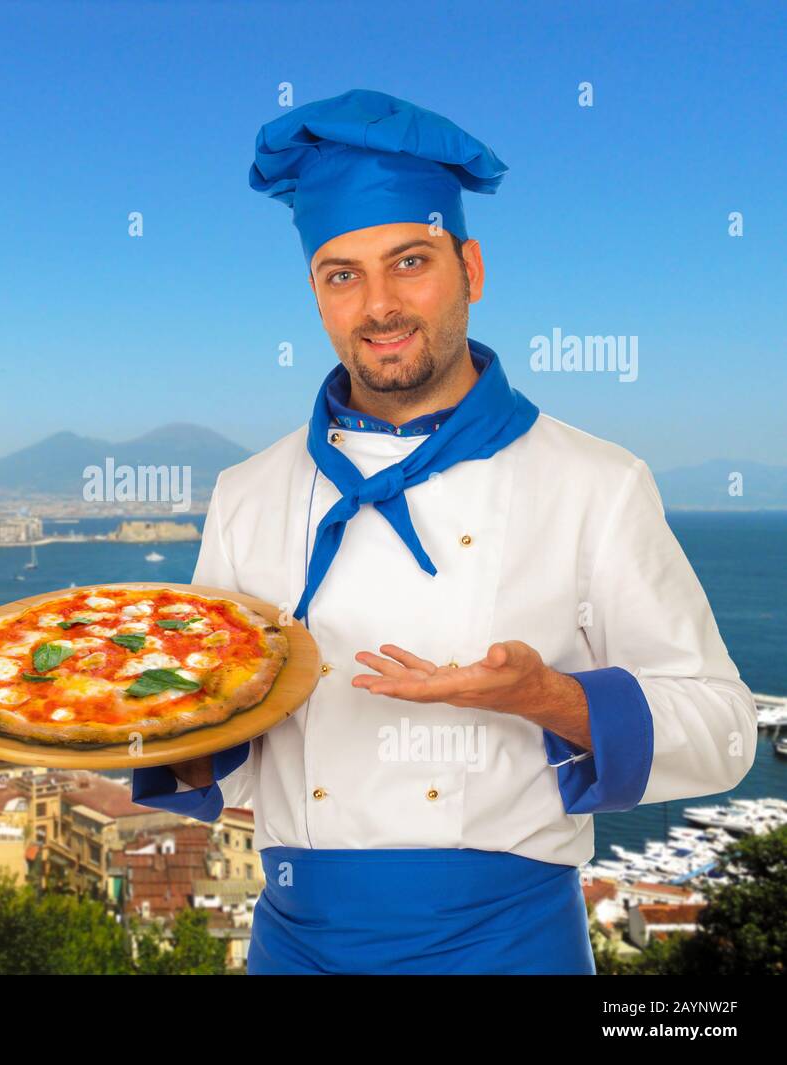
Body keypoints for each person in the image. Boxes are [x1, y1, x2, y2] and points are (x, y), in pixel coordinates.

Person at [129, 88, 757, 975]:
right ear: (316, 295)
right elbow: (215, 739)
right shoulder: (247, 492)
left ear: (471, 268)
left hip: (508, 946)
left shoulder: (595, 481)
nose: (379, 305)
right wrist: (141, 720)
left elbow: (726, 729)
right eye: (342, 274)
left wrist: (548, 697)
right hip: (294, 945)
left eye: (410, 262)